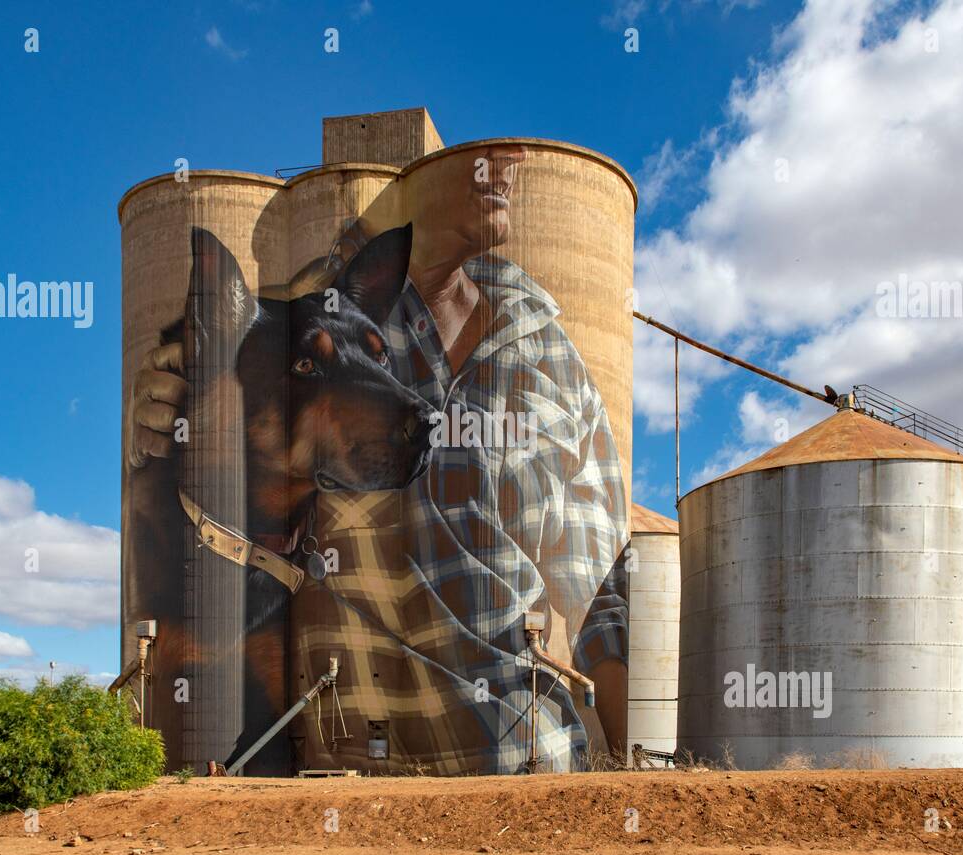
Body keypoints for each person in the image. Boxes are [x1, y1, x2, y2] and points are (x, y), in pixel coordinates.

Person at [130, 145, 629, 773]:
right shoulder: (297, 291)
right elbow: (207, 374)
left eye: (375, 356)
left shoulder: (555, 357)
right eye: (483, 158)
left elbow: (604, 587)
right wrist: (162, 397)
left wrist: (629, 763)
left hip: (534, 768)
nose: (512, 160)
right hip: (353, 777)